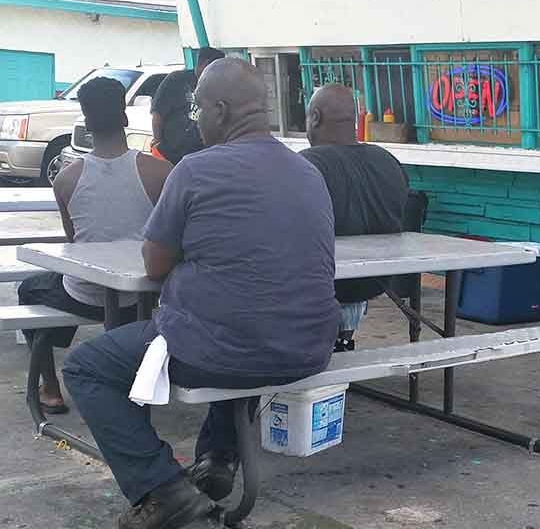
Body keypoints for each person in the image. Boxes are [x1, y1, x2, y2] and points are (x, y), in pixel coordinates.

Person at [63, 58, 339, 529]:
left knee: (86, 367)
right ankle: (218, 458)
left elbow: (153, 264)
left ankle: (162, 487)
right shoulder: (308, 173)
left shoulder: (195, 170)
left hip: (225, 347)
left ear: (221, 110)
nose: (194, 119)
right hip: (310, 348)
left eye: (197, 109)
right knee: (242, 325)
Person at [18, 77, 172, 414]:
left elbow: (76, 245)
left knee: (31, 289)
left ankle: (50, 388)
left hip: (85, 294)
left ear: (86, 124)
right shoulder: (160, 172)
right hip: (144, 295)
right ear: (126, 118)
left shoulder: (66, 180)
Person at [300, 84, 409, 346]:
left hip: (328, 284)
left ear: (315, 117)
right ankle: (343, 338)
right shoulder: (388, 160)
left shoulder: (305, 166)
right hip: (377, 281)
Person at [150, 46, 225, 164]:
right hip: (169, 155)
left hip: (202, 158)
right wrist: (157, 142)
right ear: (204, 64)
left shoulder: (218, 86)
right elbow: (157, 113)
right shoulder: (176, 79)